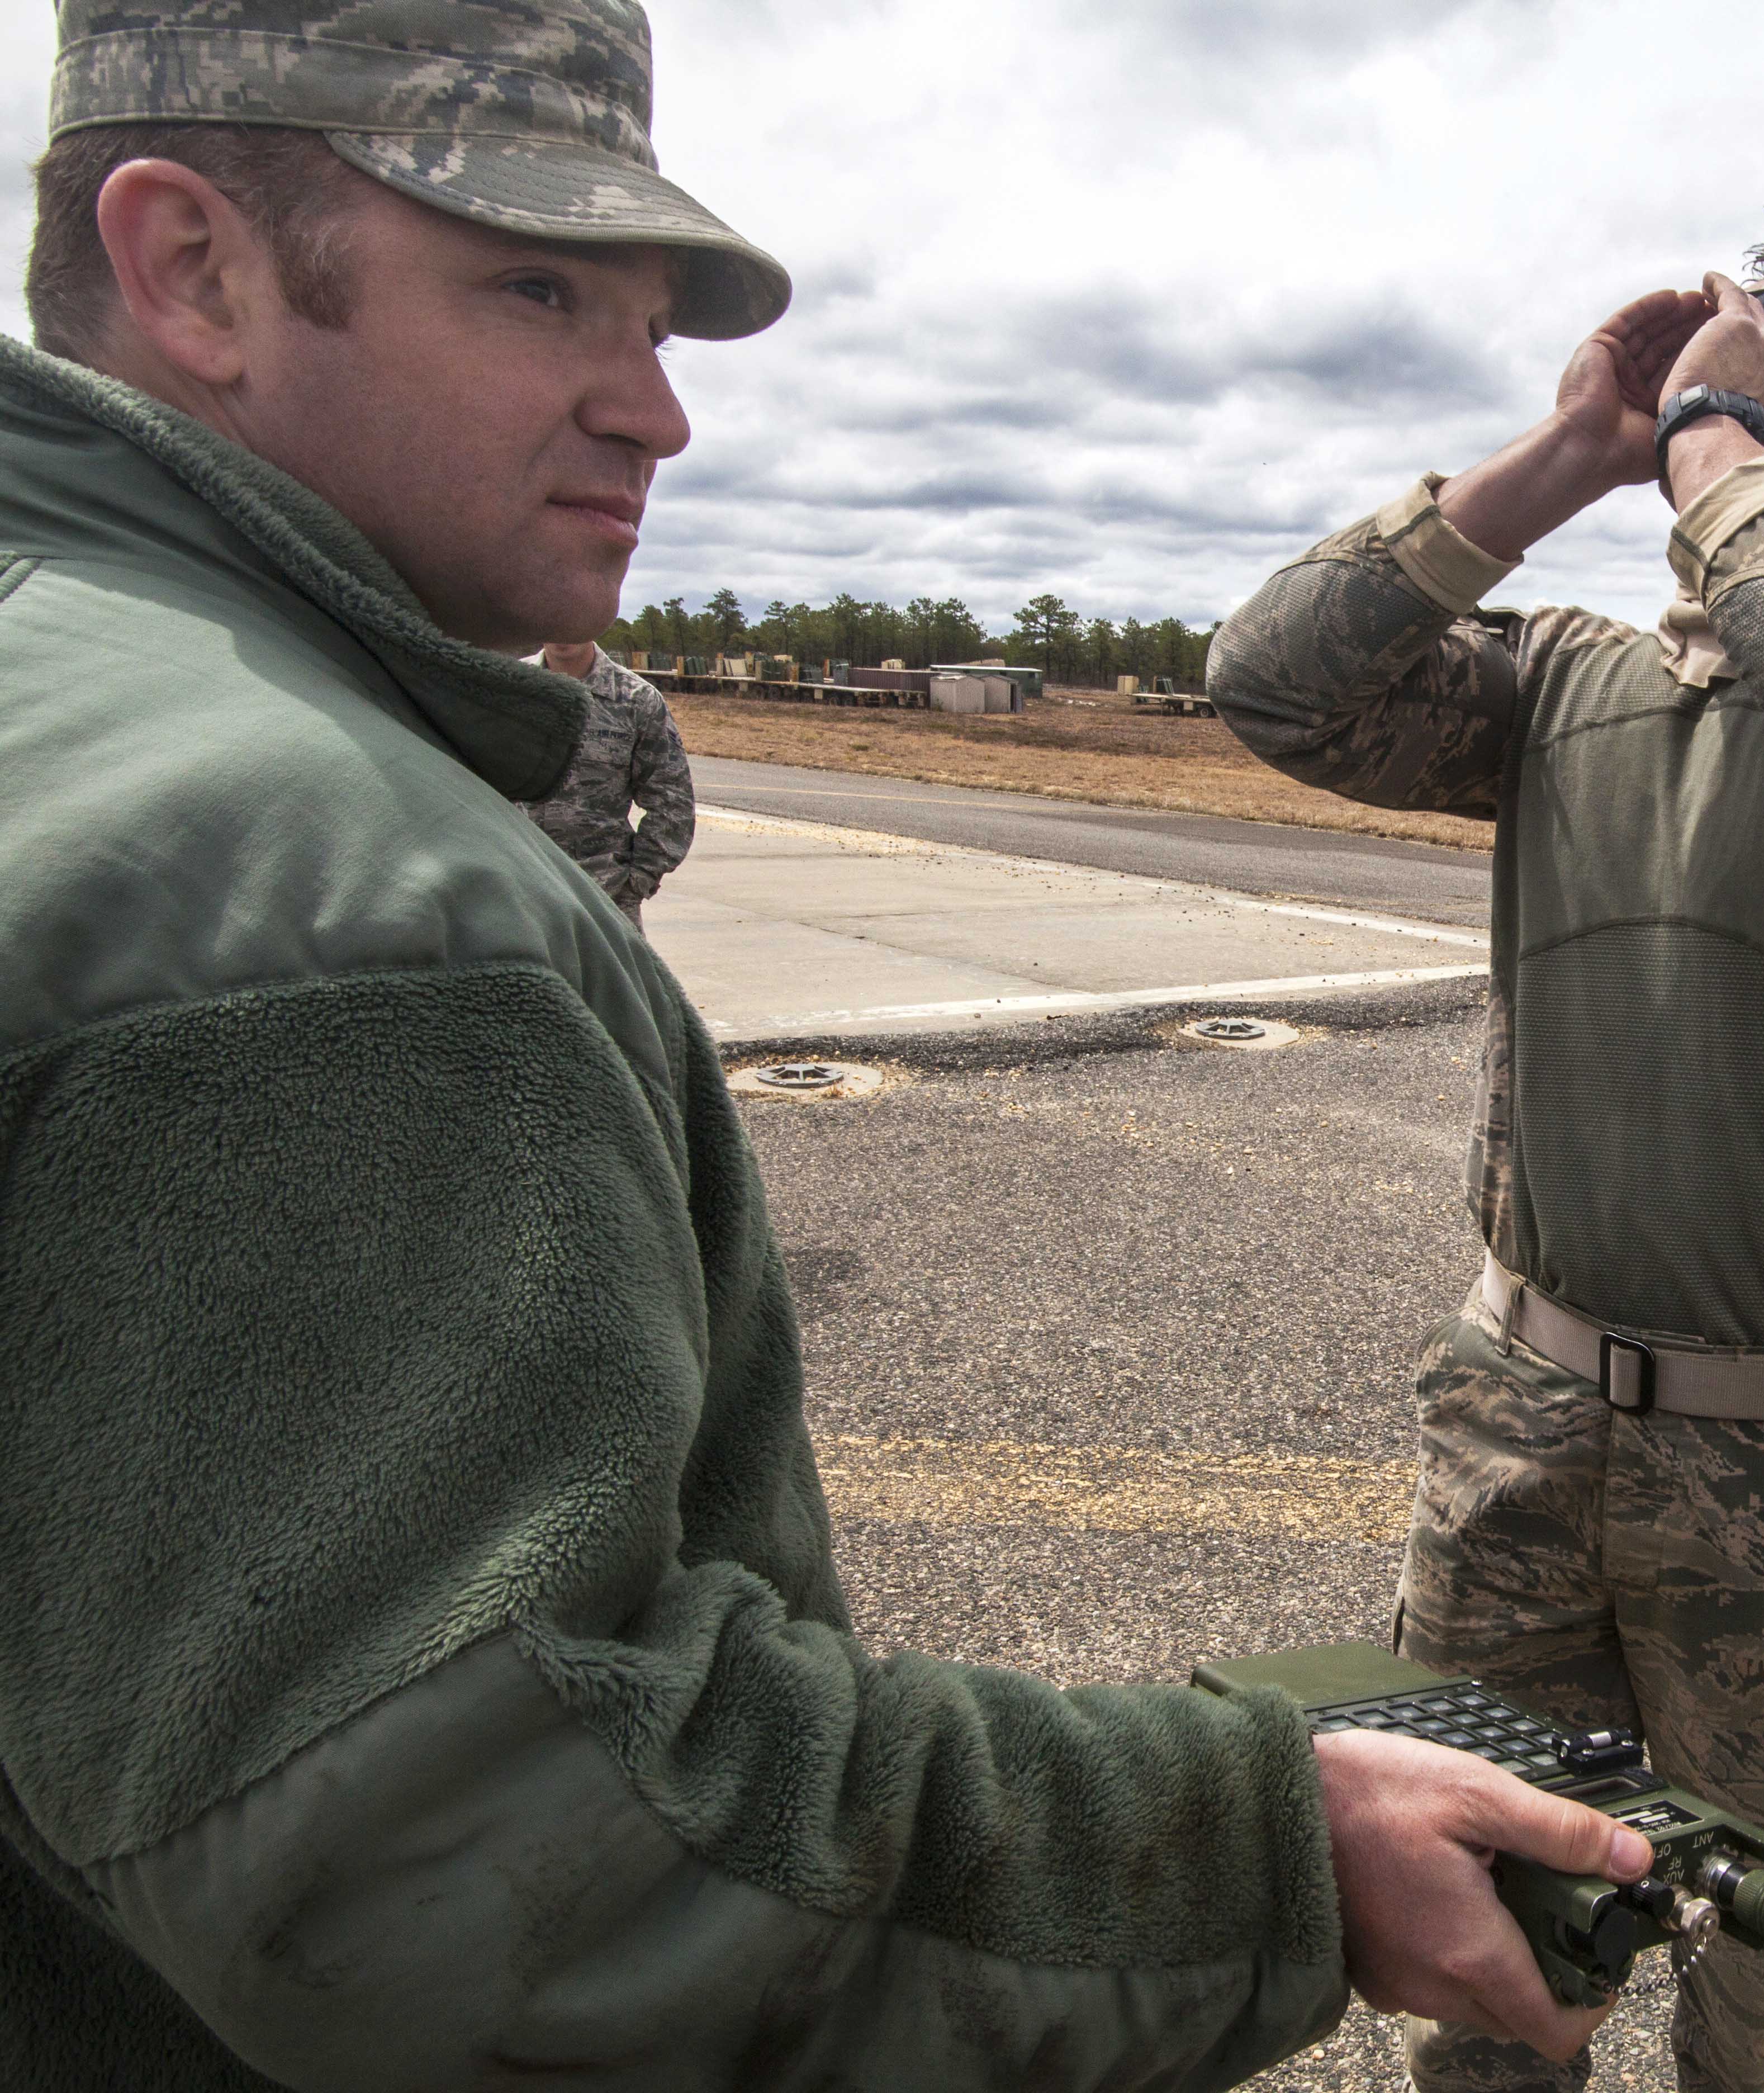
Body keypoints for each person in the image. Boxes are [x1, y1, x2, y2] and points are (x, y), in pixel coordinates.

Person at [0, 4, 1646, 2086]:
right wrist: (1262, 1846)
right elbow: (501, 1874)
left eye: (660, 318)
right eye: (537, 288)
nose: (654, 411)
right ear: (193, 267)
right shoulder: (335, 900)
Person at [1208, 212, 1764, 2092]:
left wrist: (1710, 428)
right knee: (1487, 1933)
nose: (1729, 334)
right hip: (1515, 1426)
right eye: (1718, 317)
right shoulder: (1559, 682)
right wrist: (1569, 453)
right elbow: (1276, 683)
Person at [528, 637, 696, 925]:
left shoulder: (636, 700)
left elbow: (673, 802)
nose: (561, 629)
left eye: (573, 615)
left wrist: (636, 883)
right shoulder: (506, 689)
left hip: (603, 902)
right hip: (515, 894)